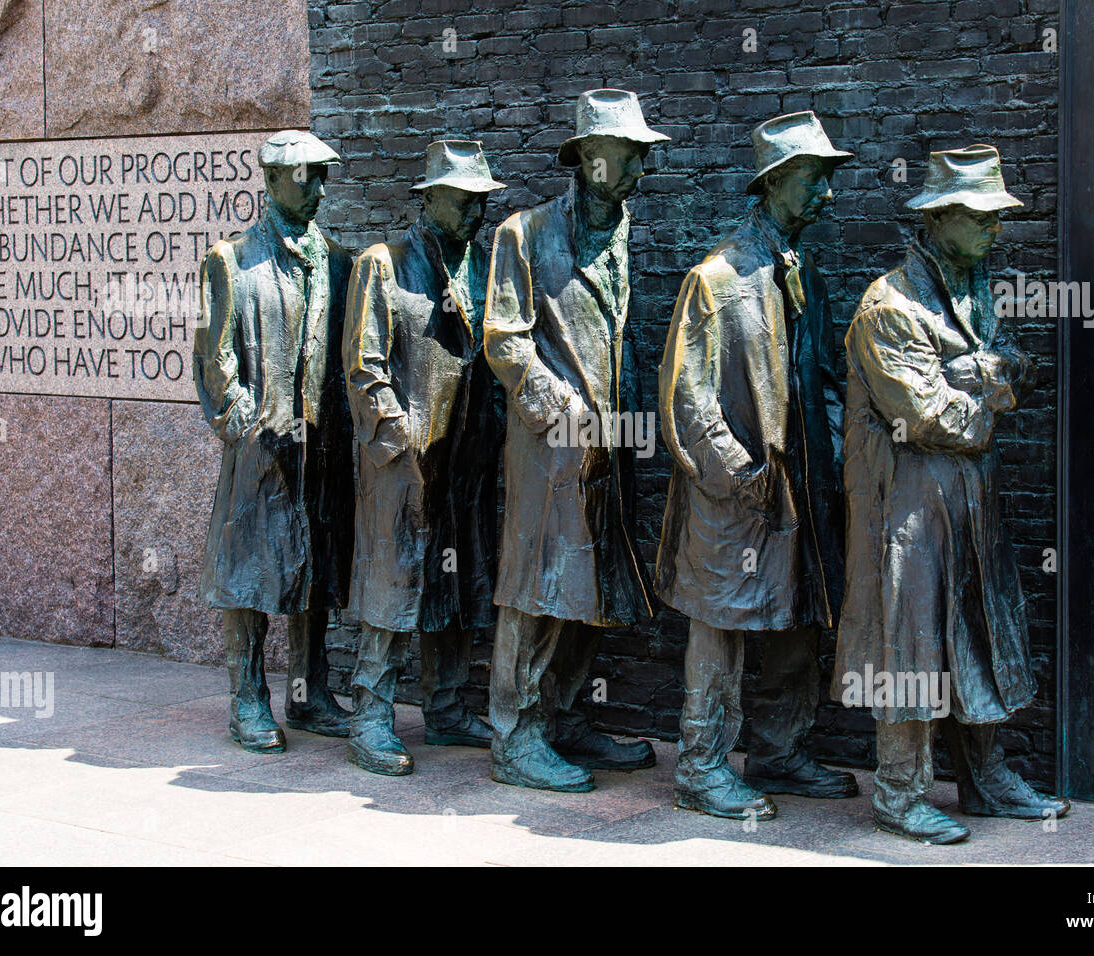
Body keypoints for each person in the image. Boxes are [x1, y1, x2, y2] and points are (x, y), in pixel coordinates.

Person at [834, 144, 1070, 843]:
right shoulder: (889, 307)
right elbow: (932, 417)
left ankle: (985, 779)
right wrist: (987, 383)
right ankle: (901, 791)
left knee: (980, 631)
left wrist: (980, 373)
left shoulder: (974, 289)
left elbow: (1021, 371)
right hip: (904, 507)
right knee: (908, 646)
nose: (995, 230)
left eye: (996, 218)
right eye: (981, 218)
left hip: (969, 499)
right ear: (939, 219)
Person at [657, 112, 858, 820]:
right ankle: (702, 766)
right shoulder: (716, 279)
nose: (828, 194)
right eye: (815, 178)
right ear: (776, 182)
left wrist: (831, 456)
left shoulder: (804, 274)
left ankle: (779, 750)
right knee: (721, 627)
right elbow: (688, 396)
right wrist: (738, 477)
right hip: (734, 498)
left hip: (799, 490)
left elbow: (826, 380)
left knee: (798, 619)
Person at [482, 90, 669, 792]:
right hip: (550, 446)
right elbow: (503, 339)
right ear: (592, 161)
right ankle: (514, 736)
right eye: (629, 158)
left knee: (594, 586)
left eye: (642, 159)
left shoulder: (621, 229)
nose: (639, 172)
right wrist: (560, 411)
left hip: (610, 444)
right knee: (535, 588)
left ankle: (563, 717)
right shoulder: (523, 235)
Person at [341, 140, 507, 775]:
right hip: (403, 463)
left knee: (457, 578)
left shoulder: (484, 265)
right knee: (394, 581)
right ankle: (371, 715)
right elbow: (363, 366)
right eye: (464, 201)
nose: (475, 213)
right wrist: (399, 436)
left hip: (465, 457)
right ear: (430, 197)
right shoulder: (384, 265)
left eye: (481, 203)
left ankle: (445, 705)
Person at [193, 130, 354, 753]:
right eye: (305, 176)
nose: (317, 189)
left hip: (320, 449)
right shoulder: (230, 261)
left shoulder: (340, 262)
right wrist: (247, 426)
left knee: (313, 566)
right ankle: (248, 696)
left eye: (322, 177)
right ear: (271, 179)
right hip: (261, 453)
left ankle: (309, 692)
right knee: (251, 572)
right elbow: (213, 358)